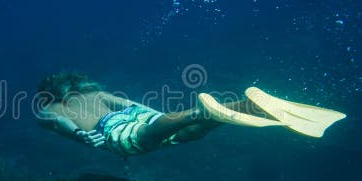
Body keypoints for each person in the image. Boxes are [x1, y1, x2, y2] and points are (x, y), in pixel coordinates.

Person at [36, 71, 346, 157]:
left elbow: (56, 122)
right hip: (144, 118)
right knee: (183, 133)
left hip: (110, 130)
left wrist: (76, 132)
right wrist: (163, 116)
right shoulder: (95, 93)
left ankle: (199, 113)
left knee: (138, 141)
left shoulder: (48, 107)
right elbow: (132, 106)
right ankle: (247, 105)